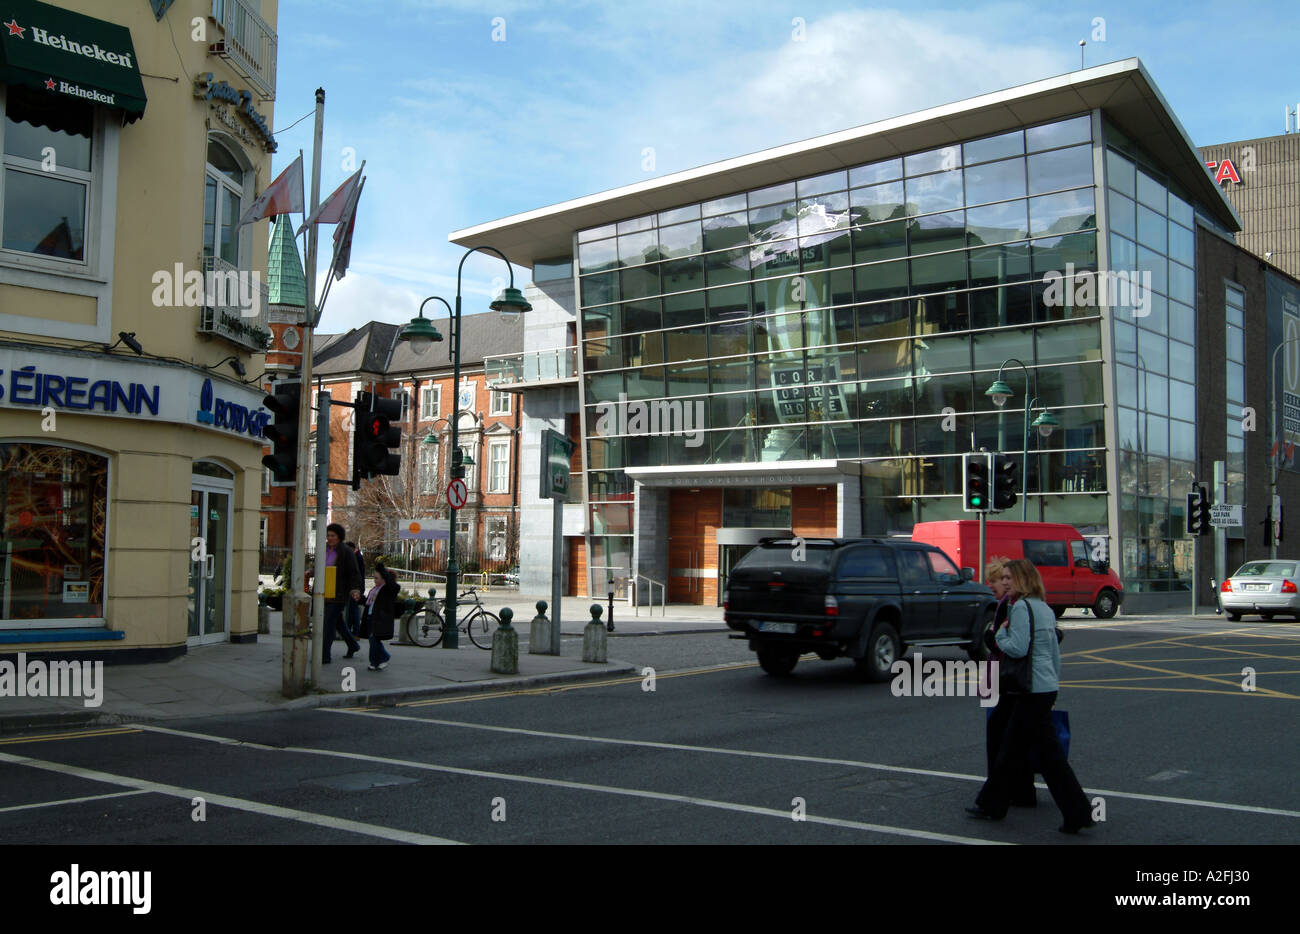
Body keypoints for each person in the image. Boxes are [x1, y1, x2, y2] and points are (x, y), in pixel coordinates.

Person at [969, 559, 1094, 833]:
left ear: (1022, 580)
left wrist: (998, 635)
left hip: (1029, 689)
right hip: (1044, 687)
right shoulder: (1044, 608)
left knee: (1045, 757)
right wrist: (1054, 684)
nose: (1005, 582)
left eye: (1009, 578)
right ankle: (993, 804)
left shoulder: (1022, 608)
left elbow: (1017, 648)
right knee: (1015, 750)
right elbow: (1052, 652)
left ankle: (1078, 811)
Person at [982, 558, 1036, 808]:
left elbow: (1010, 645)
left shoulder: (1011, 606)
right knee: (1019, 736)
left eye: (998, 579)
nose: (993, 584)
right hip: (1011, 677)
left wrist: (992, 637)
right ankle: (1021, 790)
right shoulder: (1014, 604)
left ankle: (1000, 790)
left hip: (1007, 677)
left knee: (1000, 734)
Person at [322, 523, 362, 664]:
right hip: (324, 592)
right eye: (328, 535)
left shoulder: (346, 551)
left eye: (332, 535)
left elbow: (354, 572)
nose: (330, 538)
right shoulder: (324, 549)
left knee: (328, 624)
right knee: (337, 622)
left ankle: (324, 655)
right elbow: (321, 566)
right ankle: (353, 645)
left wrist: (355, 589)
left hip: (339, 594)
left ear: (339, 536)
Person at [365, 561, 400, 671]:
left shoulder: (389, 589)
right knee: (373, 639)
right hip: (373, 616)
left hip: (382, 618)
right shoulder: (375, 590)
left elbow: (392, 584)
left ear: (384, 579)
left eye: (377, 578)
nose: (374, 580)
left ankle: (377, 660)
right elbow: (369, 602)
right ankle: (381, 659)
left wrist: (382, 570)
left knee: (374, 638)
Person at [345, 541, 366, 638]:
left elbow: (356, 573)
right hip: (356, 587)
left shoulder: (356, 557)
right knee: (352, 608)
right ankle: (352, 630)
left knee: (353, 609)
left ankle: (355, 631)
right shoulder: (357, 556)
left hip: (356, 587)